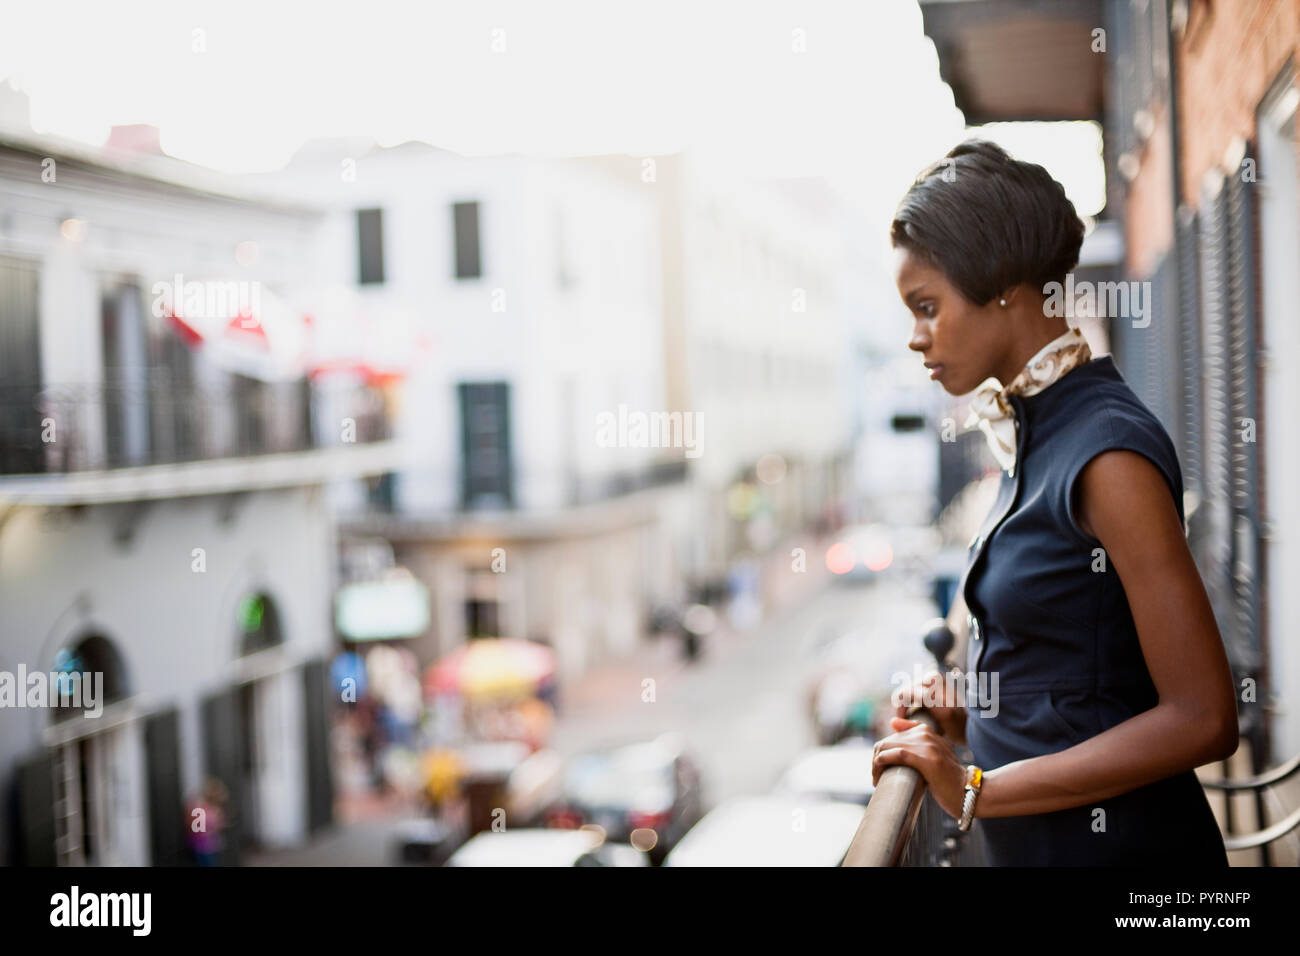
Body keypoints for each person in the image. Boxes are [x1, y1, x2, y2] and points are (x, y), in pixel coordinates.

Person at [872, 139, 1237, 866]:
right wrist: (972, 715)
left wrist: (976, 788)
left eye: (926, 307)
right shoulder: (1038, 429)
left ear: (1002, 285)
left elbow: (1204, 718)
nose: (915, 338)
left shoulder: (1105, 451)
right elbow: (1077, 666)